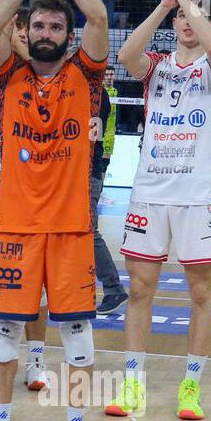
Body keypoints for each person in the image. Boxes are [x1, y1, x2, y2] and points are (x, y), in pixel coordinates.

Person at [0, 0, 109, 421]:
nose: (47, 31)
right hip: (15, 225)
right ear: (26, 32)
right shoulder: (8, 77)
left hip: (72, 228)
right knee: (4, 334)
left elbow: (98, 17)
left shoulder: (86, 76)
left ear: (68, 35)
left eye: (57, 25)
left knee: (78, 338)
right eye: (38, 24)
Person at [108, 0, 211, 421]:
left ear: (207, 21)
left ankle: (191, 385)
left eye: (193, 14)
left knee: (200, 292)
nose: (186, 20)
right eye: (180, 16)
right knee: (140, 289)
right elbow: (125, 56)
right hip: (150, 191)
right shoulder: (157, 66)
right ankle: (133, 383)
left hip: (198, 195)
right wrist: (165, 4)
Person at [93, 65, 127, 312]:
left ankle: (114, 289)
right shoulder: (96, 91)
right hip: (78, 173)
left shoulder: (94, 93)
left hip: (84, 173)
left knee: (86, 232)